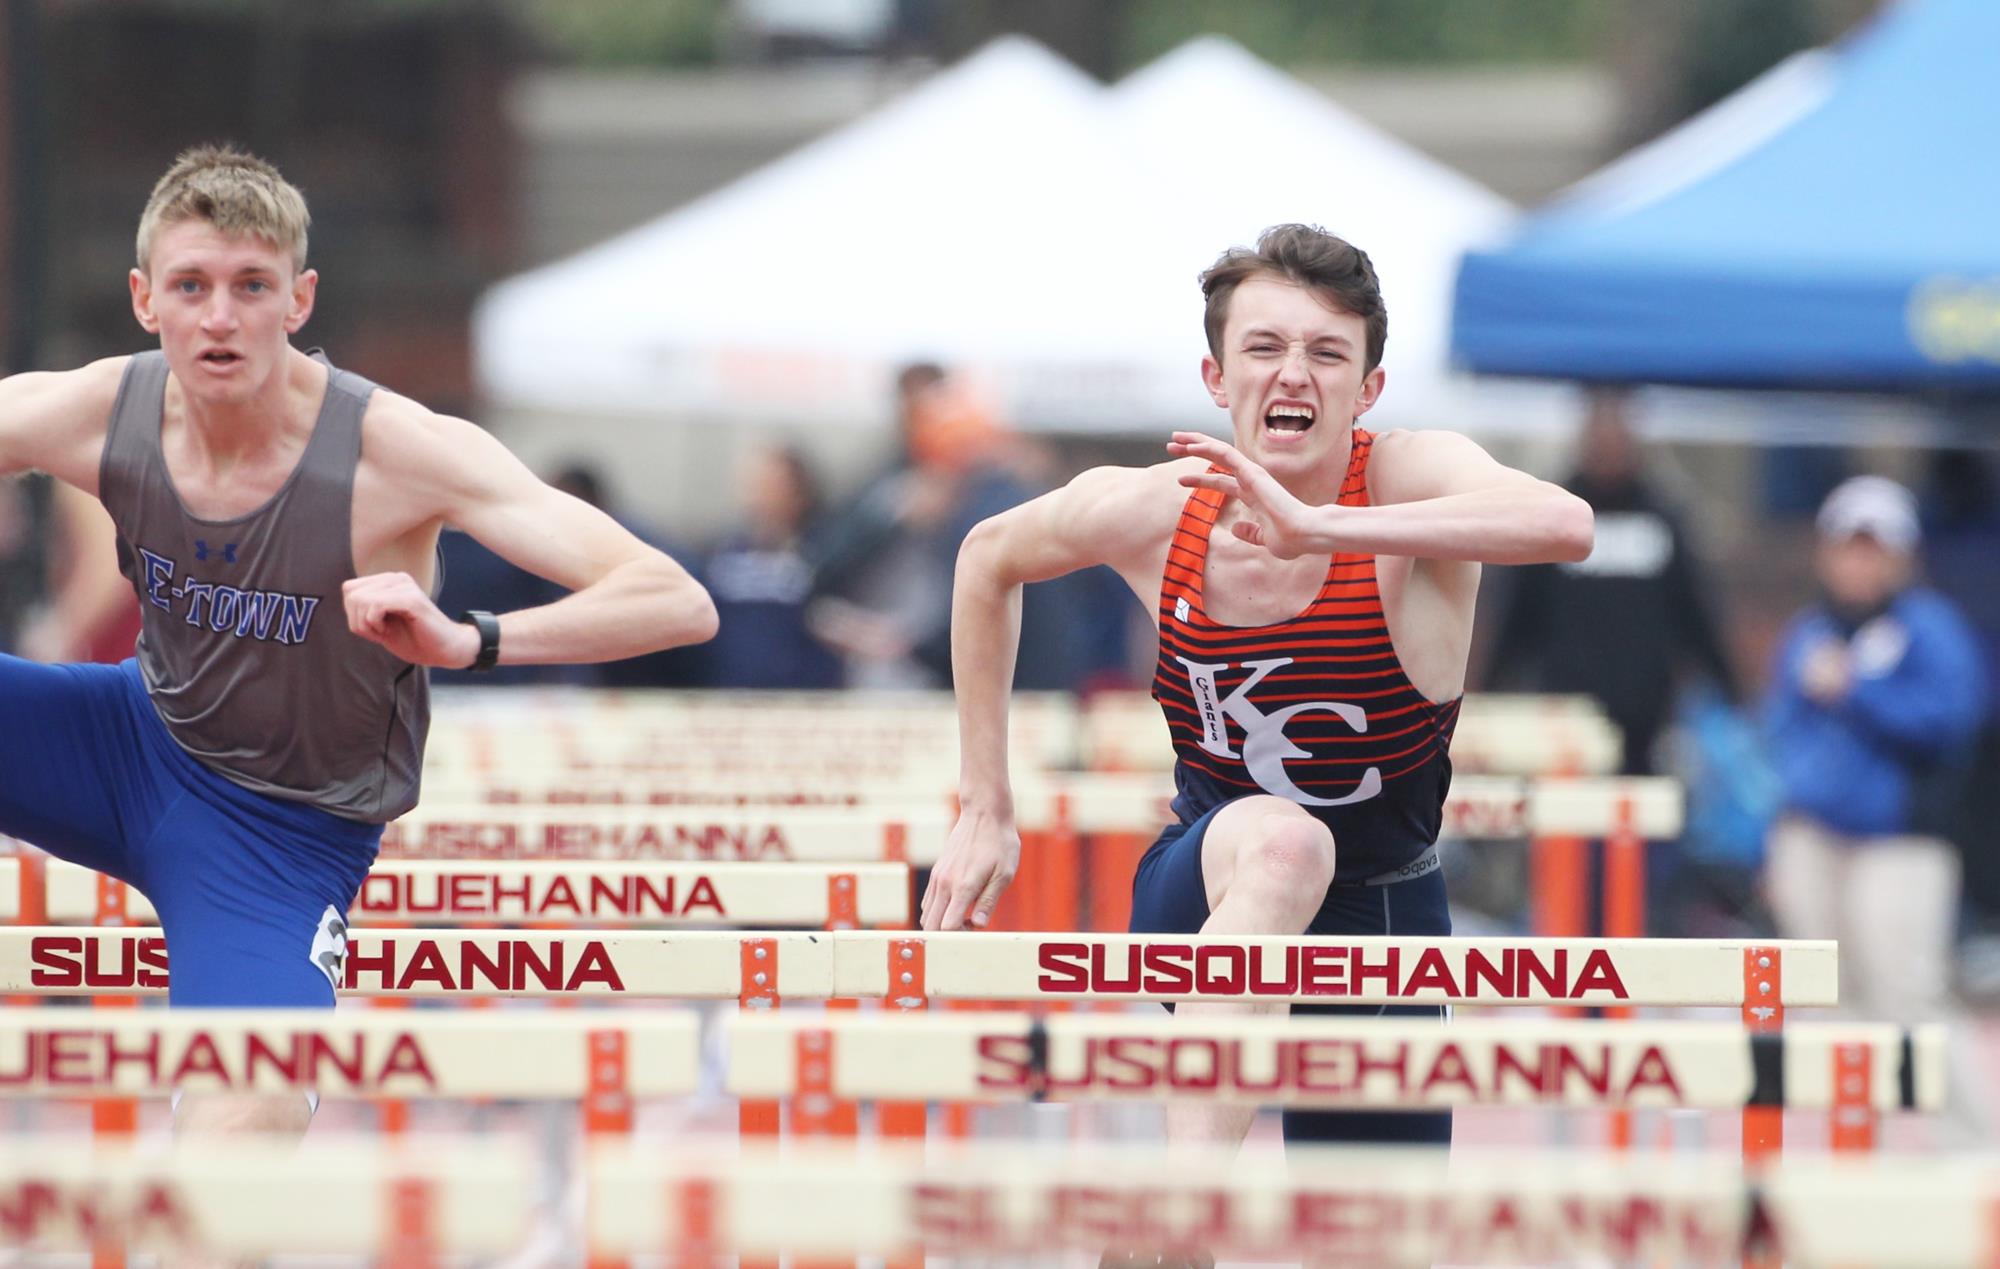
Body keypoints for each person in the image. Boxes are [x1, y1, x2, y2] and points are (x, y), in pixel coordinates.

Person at [0, 145, 715, 1200]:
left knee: (244, 1122)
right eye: (191, 288)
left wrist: (472, 640)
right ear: (145, 300)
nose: (220, 319)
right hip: (122, 740)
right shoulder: (97, 408)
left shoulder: (397, 451)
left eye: (251, 288)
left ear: (300, 297)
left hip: (276, 834)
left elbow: (672, 598)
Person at [920, 224, 1593, 1171]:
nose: (1294, 376)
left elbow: (1566, 523)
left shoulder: (1408, 478)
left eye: (1327, 354)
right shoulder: (1160, 506)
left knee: (1370, 1244)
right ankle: (1183, 1212)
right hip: (1209, 894)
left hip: (1384, 914)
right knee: (1286, 838)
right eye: (1265, 348)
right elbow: (987, 557)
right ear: (1215, 375)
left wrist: (1325, 526)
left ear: (1368, 391)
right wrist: (983, 804)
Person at [1762, 475, 1986, 1024]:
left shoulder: (1930, 628)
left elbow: (1954, 722)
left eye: (1874, 550)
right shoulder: (1809, 633)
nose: (1859, 565)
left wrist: (1860, 693)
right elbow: (1779, 731)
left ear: (1902, 557)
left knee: (1906, 999)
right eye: (1849, 549)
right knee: (1822, 1001)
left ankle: (1970, 1117)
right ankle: (1848, 1115)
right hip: (1815, 835)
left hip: (1899, 840)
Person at [1484, 387, 1742, 776]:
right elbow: (1516, 618)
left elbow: (1696, 614)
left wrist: (1731, 692)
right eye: (1598, 432)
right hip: (1565, 726)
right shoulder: (1551, 514)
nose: (1608, 445)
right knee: (1566, 828)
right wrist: (1490, 691)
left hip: (1647, 727)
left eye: (1617, 432)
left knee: (1641, 825)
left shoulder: (1663, 518)